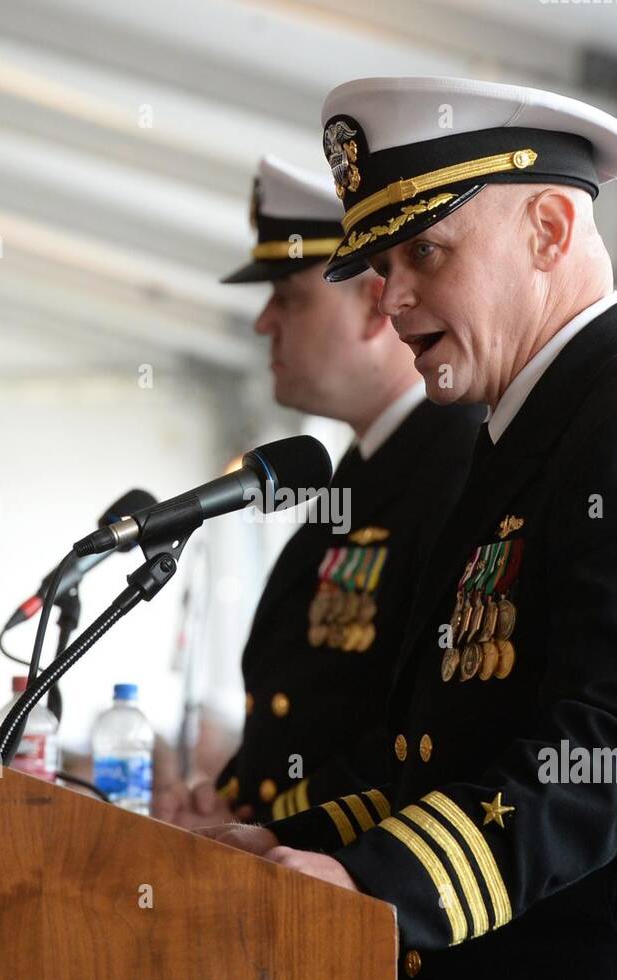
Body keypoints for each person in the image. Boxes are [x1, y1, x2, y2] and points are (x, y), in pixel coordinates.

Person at [203, 77, 617, 980]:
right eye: (382, 262)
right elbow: (442, 755)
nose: (390, 296)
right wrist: (288, 846)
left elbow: (614, 755)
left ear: (550, 231)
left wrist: (372, 885)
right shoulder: (532, 436)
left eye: (423, 252)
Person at [155, 155, 481, 829]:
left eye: (290, 297)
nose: (262, 323)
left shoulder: (458, 468)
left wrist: (267, 830)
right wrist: (232, 804)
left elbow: (427, 730)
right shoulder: (363, 470)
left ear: (372, 307)